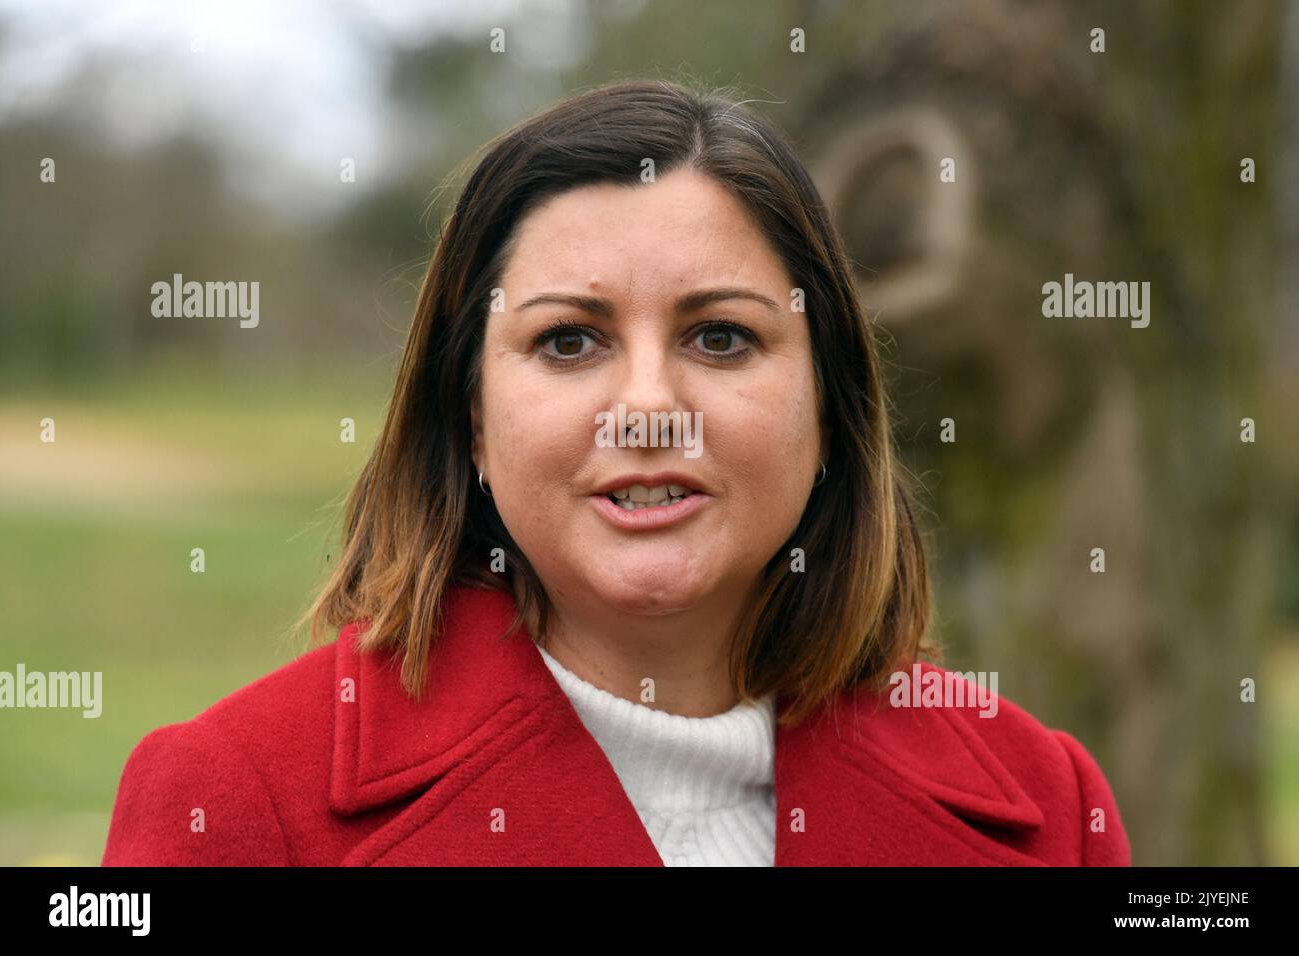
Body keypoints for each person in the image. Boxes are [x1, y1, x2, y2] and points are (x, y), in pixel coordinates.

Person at [102, 79, 1130, 867]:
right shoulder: (236, 800)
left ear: (828, 403)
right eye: (568, 342)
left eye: (721, 337)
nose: (646, 406)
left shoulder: (1046, 801)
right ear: (469, 416)